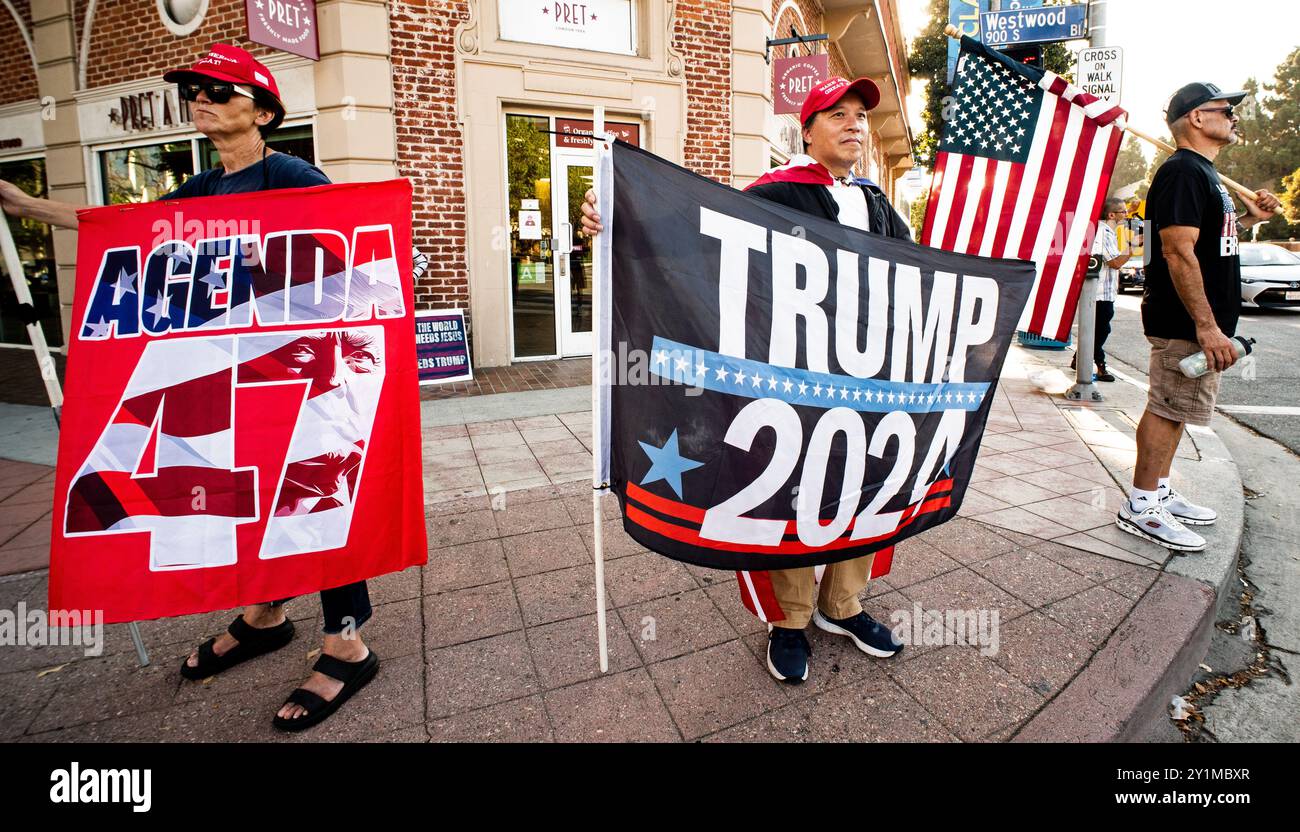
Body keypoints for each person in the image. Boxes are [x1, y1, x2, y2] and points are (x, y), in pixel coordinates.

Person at [0, 44, 378, 731]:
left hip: (298, 375)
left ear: (262, 111)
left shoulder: (290, 173)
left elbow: (349, 244)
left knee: (314, 495)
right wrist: (24, 204)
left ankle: (347, 644)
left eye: (218, 89)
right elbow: (117, 229)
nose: (199, 97)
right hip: (230, 376)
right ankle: (267, 614)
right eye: (193, 90)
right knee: (242, 491)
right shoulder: (200, 189)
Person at [581, 76, 910, 685]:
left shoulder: (881, 205)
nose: (854, 125)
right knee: (789, 487)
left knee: (861, 486)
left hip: (869, 382)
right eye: (836, 114)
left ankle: (844, 605)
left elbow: (917, 281)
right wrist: (619, 219)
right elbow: (700, 238)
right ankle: (789, 619)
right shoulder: (775, 194)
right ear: (807, 130)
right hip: (791, 378)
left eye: (861, 115)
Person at [1117, 82, 1280, 551]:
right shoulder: (1184, 172)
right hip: (1183, 322)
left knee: (1180, 409)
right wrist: (1207, 327)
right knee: (1167, 408)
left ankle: (1160, 491)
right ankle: (1142, 504)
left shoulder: (1204, 176)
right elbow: (1177, 251)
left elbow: (1211, 242)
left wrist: (1249, 220)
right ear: (1196, 118)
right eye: (1225, 109)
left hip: (1201, 322)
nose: (1233, 117)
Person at [1075, 197, 1129, 382]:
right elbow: (1115, 262)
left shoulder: (1106, 231)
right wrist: (1132, 247)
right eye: (1123, 211)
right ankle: (1099, 366)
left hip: (1102, 292)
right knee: (1100, 330)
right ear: (1111, 214)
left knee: (1098, 330)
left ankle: (1079, 359)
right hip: (1099, 293)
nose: (1126, 214)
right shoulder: (1103, 232)